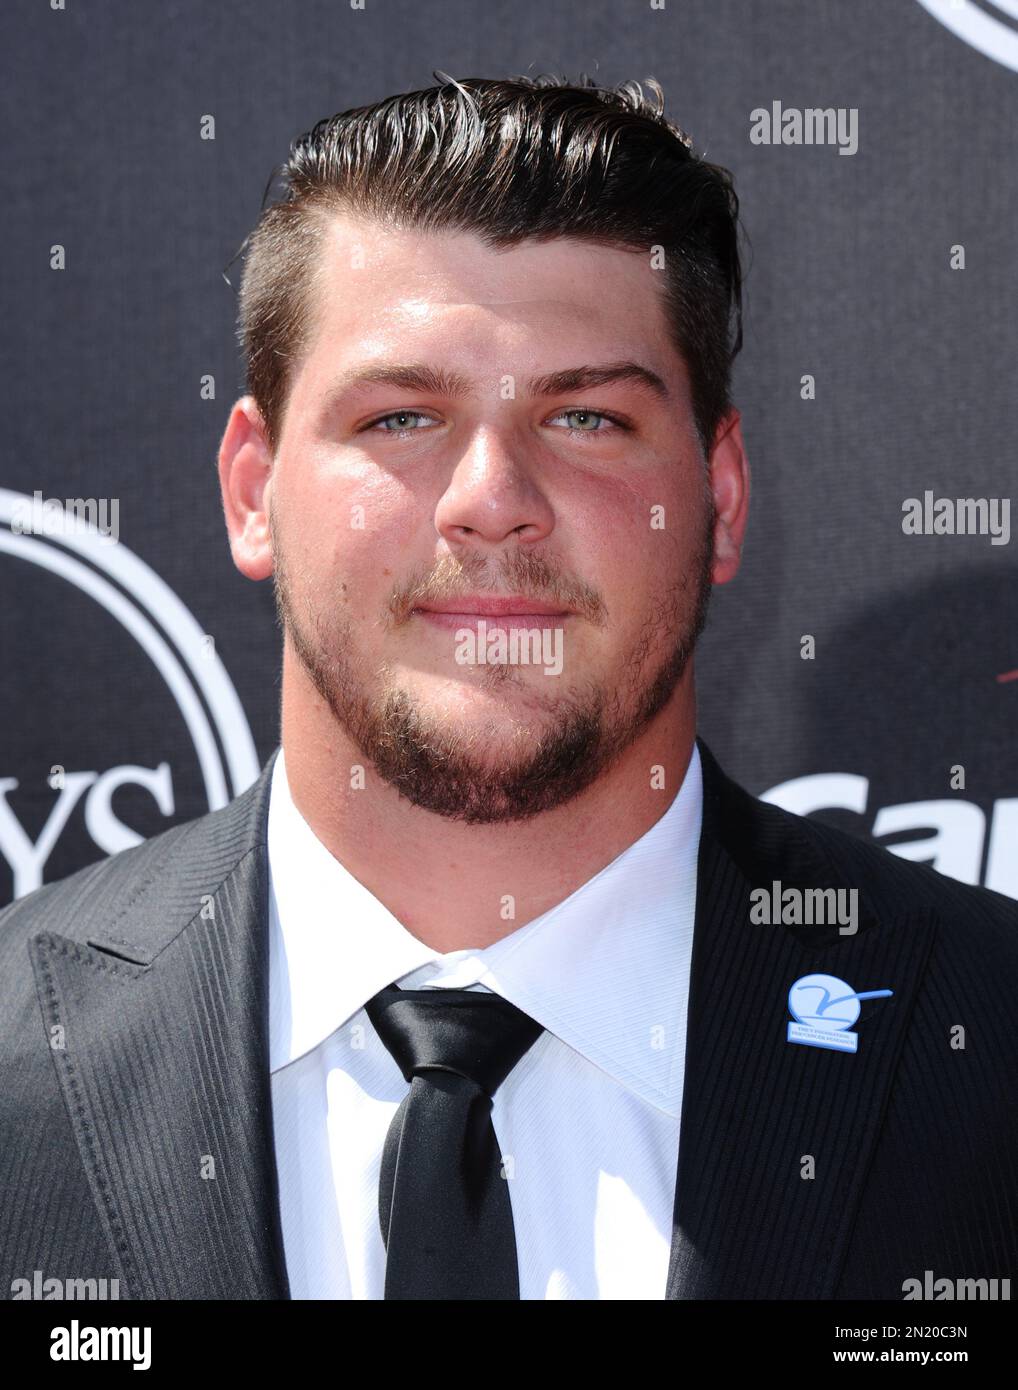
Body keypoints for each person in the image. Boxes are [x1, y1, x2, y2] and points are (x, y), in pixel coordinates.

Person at [1, 73, 1015, 1302]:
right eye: (398, 417)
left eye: (585, 417)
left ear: (722, 494)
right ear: (250, 489)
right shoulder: (14, 1050)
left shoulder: (981, 1038)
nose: (492, 498)